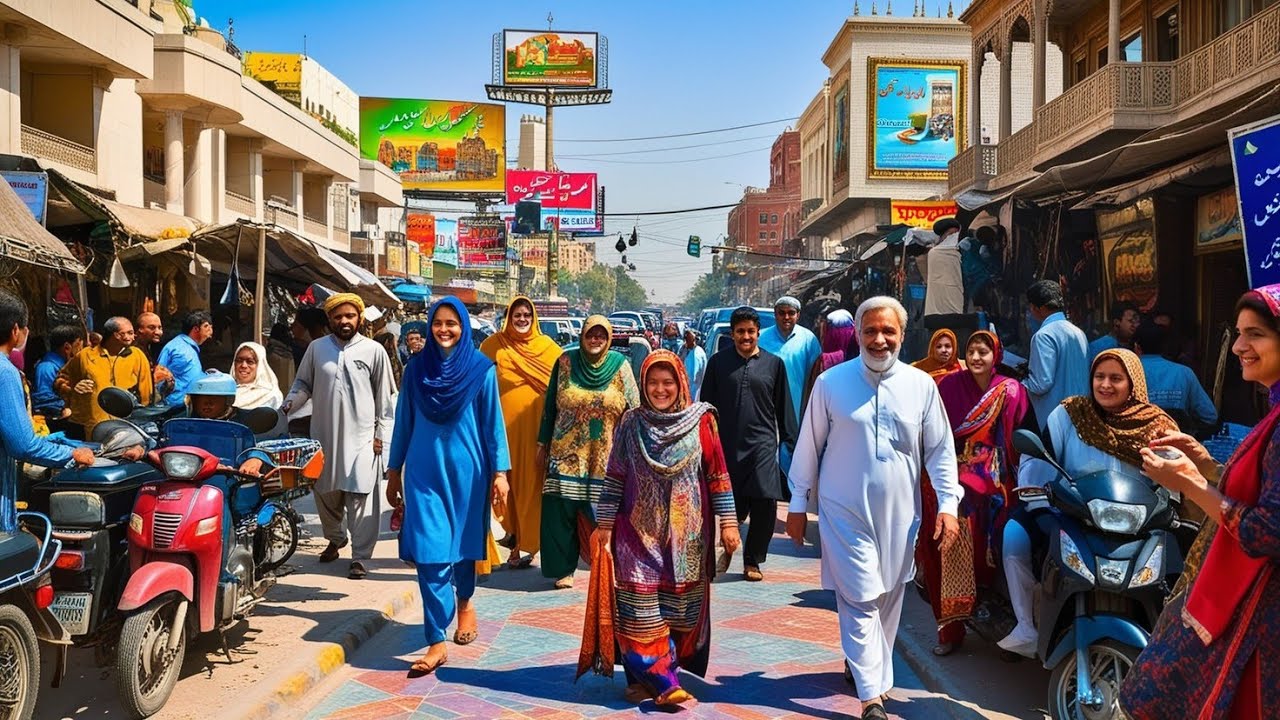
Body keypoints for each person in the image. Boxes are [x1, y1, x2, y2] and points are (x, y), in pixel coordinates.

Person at [786, 296, 961, 719]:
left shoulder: (920, 386)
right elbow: (809, 444)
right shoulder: (832, 383)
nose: (879, 340)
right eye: (870, 331)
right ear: (859, 335)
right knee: (859, 596)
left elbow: (939, 450)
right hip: (843, 507)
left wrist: (948, 503)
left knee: (888, 596)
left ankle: (867, 672)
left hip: (902, 514)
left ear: (902, 335)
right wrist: (796, 502)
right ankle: (872, 697)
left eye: (888, 332)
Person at [1119, 285, 1280, 720]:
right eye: (1239, 333)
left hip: (1259, 614)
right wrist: (1205, 463)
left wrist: (1189, 483)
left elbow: (1266, 530)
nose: (1241, 346)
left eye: (1257, 335)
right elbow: (1260, 491)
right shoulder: (1274, 411)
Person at [999, 348, 1177, 657]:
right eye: (1099, 377)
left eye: (1116, 378)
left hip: (1135, 525)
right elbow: (1040, 461)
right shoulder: (1070, 414)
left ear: (1133, 383)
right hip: (1071, 513)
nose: (1105, 385)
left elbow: (1173, 479)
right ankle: (1027, 625)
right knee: (1014, 537)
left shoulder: (1158, 426)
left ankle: (1172, 646)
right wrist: (1039, 496)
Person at [593, 350, 739, 707]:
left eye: (668, 382)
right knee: (638, 609)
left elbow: (718, 475)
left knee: (681, 613)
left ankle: (649, 678)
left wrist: (729, 523)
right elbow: (615, 475)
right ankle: (662, 680)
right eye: (653, 383)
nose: (660, 390)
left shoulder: (702, 421)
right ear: (643, 385)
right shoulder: (630, 423)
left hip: (688, 537)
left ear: (681, 384)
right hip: (635, 536)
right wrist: (604, 524)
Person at [385, 298, 510, 677]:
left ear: (463, 327)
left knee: (464, 547)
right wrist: (394, 470)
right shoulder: (415, 372)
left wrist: (500, 473)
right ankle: (436, 639)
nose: (443, 330)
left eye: (451, 323)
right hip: (423, 474)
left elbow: (493, 426)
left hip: (469, 474)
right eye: (437, 323)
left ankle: (466, 601)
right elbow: (403, 422)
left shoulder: (481, 370)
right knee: (430, 553)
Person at [923, 330, 1034, 655]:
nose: (975, 357)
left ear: (995, 355)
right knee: (950, 552)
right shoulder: (948, 386)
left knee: (1003, 554)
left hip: (999, 481)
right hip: (954, 479)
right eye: (971, 351)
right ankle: (951, 632)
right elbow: (934, 434)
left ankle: (1007, 632)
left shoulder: (1010, 390)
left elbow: (1019, 440)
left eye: (983, 351)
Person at [283, 293, 395, 580]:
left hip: (363, 438)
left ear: (359, 318)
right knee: (325, 492)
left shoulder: (373, 351)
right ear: (330, 320)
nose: (344, 321)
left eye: (349, 316)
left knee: (360, 493)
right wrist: (290, 403)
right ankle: (336, 538)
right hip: (325, 436)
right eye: (338, 317)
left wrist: (382, 435)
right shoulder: (317, 349)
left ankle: (360, 557)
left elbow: (385, 399)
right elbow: (303, 383)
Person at [536, 316, 639, 589]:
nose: (595, 340)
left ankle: (612, 565)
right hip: (565, 455)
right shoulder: (565, 362)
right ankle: (563, 569)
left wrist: (637, 449)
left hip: (606, 457)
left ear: (608, 339)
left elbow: (635, 409)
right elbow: (550, 407)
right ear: (582, 336)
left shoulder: (621, 366)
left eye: (601, 336)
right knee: (560, 513)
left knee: (609, 512)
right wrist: (541, 444)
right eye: (590, 335)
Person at [700, 306, 796, 582]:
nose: (746, 337)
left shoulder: (773, 364)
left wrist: (791, 439)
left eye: (751, 332)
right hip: (727, 444)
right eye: (740, 332)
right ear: (732, 334)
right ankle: (728, 544)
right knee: (734, 503)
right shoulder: (718, 363)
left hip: (763, 445)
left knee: (765, 500)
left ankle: (753, 561)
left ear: (757, 333)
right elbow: (706, 405)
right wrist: (704, 439)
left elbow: (783, 405)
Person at [0, 291, 93, 532]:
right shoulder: (5, 371)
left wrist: (55, 440)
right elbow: (23, 446)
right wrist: (71, 455)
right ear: (15, 330)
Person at [480, 296, 562, 569]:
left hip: (536, 433)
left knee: (531, 486)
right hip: (501, 431)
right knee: (505, 486)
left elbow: (561, 391)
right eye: (517, 314)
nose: (522, 319)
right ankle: (513, 537)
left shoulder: (549, 349)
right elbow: (477, 383)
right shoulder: (493, 346)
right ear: (508, 317)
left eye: (527, 314)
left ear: (534, 317)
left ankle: (528, 544)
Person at [56, 316, 154, 439]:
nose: (131, 337)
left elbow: (146, 393)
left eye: (131, 333)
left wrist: (144, 419)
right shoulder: (85, 356)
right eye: (127, 333)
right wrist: (72, 388)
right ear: (114, 335)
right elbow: (61, 380)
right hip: (90, 427)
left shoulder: (137, 356)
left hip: (126, 427)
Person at [758, 296, 821, 474]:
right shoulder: (762, 337)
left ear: (798, 315)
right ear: (775, 315)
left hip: (798, 402)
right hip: (768, 403)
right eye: (782, 313)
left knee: (796, 445)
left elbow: (815, 373)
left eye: (791, 313)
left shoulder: (808, 339)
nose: (786, 317)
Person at [1023, 279, 1089, 432]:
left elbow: (1040, 384)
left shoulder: (1043, 336)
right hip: (1082, 416)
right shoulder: (1078, 332)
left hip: (1055, 420)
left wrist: (1019, 383)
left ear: (1037, 308)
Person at [1133, 321, 1217, 429]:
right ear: (1165, 346)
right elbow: (1210, 416)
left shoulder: (1125, 373)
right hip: (1177, 441)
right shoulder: (1184, 373)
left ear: (1137, 347)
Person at [156, 309, 214, 408]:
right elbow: (158, 377)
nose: (210, 330)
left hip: (189, 406)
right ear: (196, 329)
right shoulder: (174, 347)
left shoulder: (191, 349)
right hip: (173, 407)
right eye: (206, 326)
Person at [32, 324, 82, 424]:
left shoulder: (66, 366)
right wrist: (65, 408)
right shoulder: (46, 367)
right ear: (67, 347)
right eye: (79, 347)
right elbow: (43, 398)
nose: (80, 352)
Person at [923, 218, 965, 317]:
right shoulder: (934, 253)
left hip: (956, 301)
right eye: (951, 234)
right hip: (936, 308)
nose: (954, 237)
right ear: (943, 236)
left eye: (956, 234)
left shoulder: (961, 250)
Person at [231, 341, 283, 410]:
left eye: (250, 362)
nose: (243, 365)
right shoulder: (226, 392)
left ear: (260, 366)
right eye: (239, 360)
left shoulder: (271, 395)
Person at [678, 328, 707, 399]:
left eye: (691, 339)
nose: (688, 341)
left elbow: (695, 375)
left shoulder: (698, 353)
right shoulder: (683, 349)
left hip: (695, 388)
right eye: (686, 338)